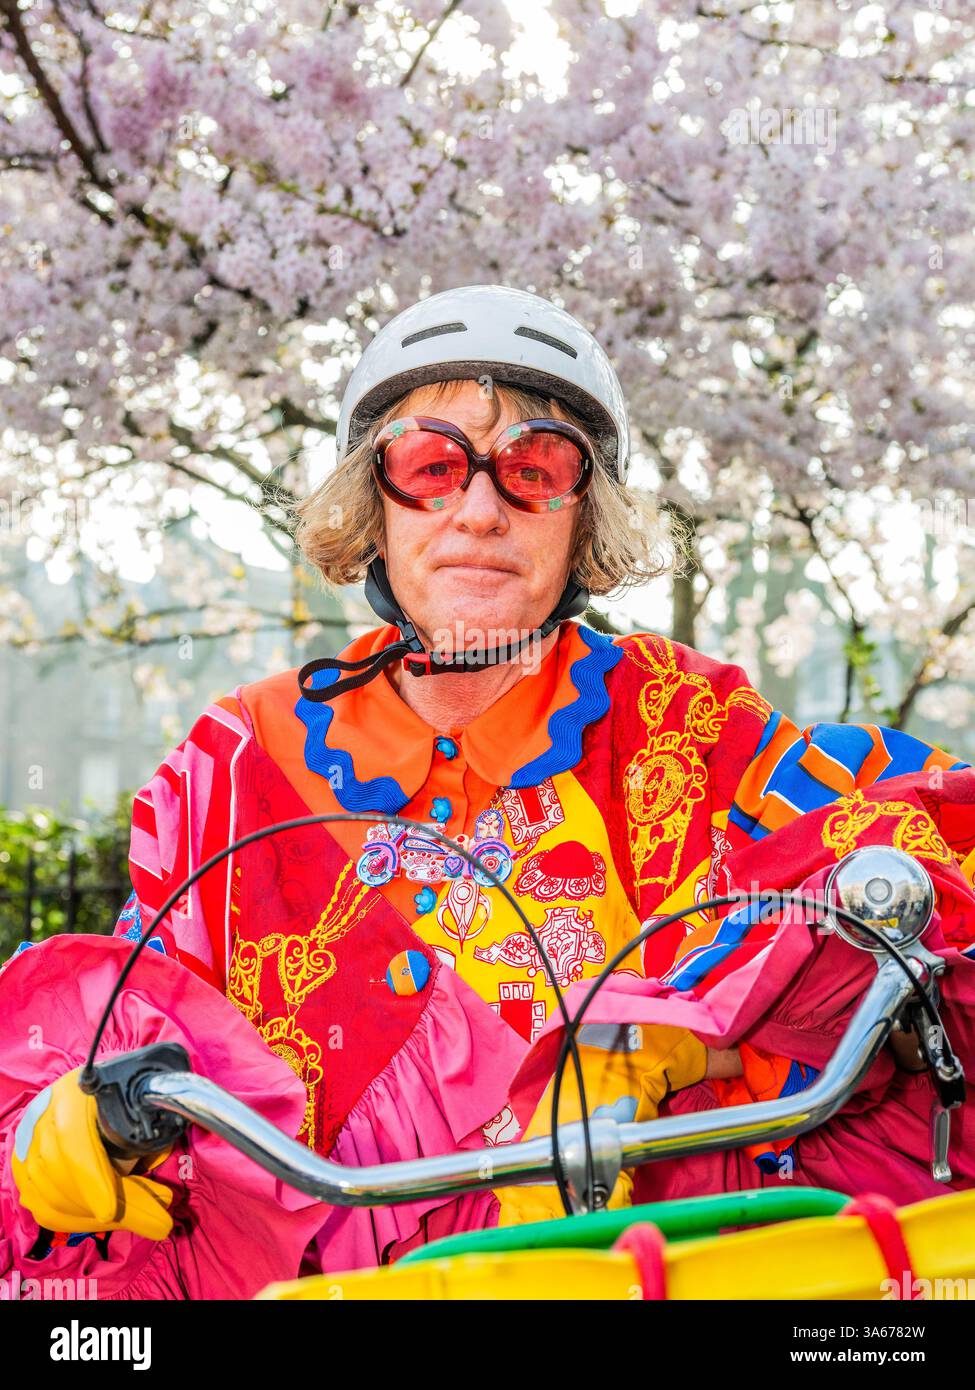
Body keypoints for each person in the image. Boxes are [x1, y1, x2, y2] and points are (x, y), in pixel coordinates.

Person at [3, 285, 973, 1297]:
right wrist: (52, 1123)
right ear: (372, 502)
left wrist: (668, 1033)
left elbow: (889, 862)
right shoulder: (237, 759)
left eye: (533, 467)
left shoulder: (688, 719)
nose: (479, 509)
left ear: (581, 514)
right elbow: (123, 1008)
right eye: (431, 465)